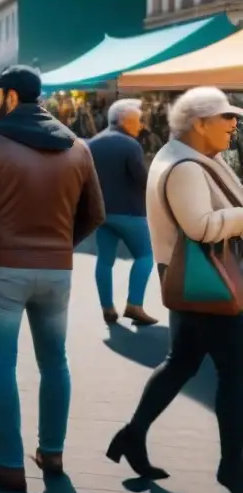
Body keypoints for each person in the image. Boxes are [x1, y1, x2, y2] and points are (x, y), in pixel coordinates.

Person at [0, 65, 105, 492]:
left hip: (2, 270)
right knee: (55, 361)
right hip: (57, 272)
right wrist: (59, 244)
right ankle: (51, 452)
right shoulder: (78, 148)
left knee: (1, 363)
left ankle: (9, 463)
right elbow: (95, 214)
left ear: (12, 97)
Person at [106, 87, 243, 493]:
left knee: (180, 363)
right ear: (199, 123)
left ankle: (133, 434)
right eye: (226, 117)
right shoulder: (185, 166)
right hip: (210, 283)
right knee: (235, 374)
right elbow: (200, 226)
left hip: (192, 282)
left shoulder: (188, 157)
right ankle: (233, 467)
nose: (234, 124)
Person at [86, 99, 157, 326]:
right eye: (137, 121)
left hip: (102, 212)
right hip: (130, 212)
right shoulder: (130, 145)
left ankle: (107, 307)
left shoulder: (92, 144)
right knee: (145, 256)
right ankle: (134, 305)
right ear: (124, 121)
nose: (140, 125)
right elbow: (142, 179)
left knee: (104, 261)